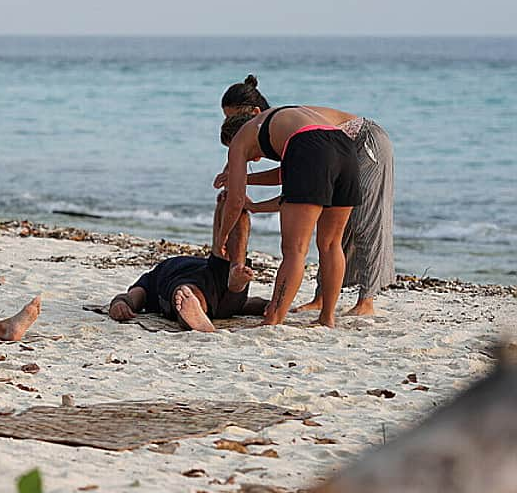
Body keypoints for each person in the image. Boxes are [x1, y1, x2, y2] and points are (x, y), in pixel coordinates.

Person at [219, 75, 395, 316]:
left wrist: (223, 235)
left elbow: (291, 178)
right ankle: (323, 304)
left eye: (232, 117)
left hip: (364, 140)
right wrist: (244, 181)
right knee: (331, 238)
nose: (231, 122)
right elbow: (294, 178)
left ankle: (366, 301)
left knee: (364, 222)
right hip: (339, 150)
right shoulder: (279, 125)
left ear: (254, 111)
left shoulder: (262, 129)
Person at [219, 104, 362, 327]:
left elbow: (235, 200)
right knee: (332, 243)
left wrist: (223, 237)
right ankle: (327, 317)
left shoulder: (240, 140)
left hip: (311, 149)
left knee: (295, 250)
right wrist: (254, 204)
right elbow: (292, 182)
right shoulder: (281, 122)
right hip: (345, 147)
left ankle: (273, 318)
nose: (253, 161)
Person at [107, 193, 267, 331]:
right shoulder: (153, 279)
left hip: (211, 285)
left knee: (186, 295)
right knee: (210, 283)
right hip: (224, 288)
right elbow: (247, 304)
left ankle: (201, 308)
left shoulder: (151, 280)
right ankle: (236, 267)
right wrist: (266, 305)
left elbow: (131, 297)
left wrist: (120, 303)